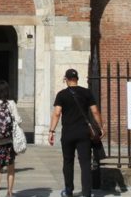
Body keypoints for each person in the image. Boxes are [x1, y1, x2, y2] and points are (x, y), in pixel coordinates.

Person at [48, 69, 103, 197]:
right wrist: (101, 127)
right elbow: (95, 111)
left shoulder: (61, 94)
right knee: (85, 163)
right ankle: (86, 193)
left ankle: (69, 190)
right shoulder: (86, 92)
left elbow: (57, 113)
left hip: (68, 133)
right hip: (83, 133)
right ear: (77, 79)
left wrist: (51, 131)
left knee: (68, 162)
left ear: (66, 79)